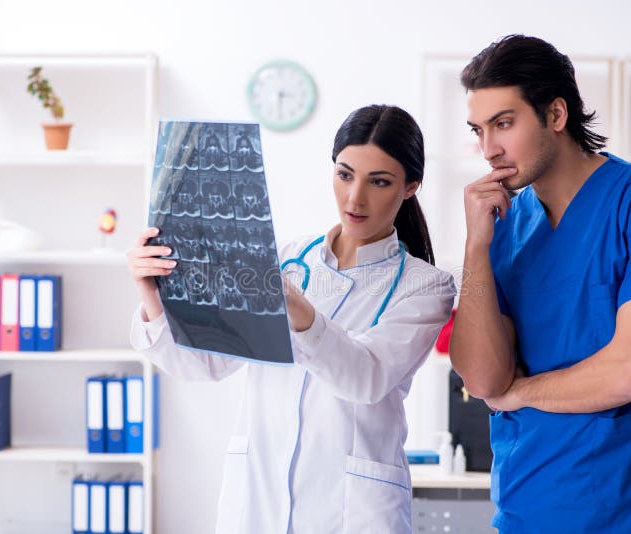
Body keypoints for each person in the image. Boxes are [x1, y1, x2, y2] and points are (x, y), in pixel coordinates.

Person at [127, 105, 456, 533]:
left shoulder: (425, 286)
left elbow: (366, 377)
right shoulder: (285, 258)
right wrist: (151, 296)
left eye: (379, 182)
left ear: (410, 186)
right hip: (257, 496)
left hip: (351, 511)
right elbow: (206, 364)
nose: (355, 198)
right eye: (344, 174)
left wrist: (293, 304)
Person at [448, 35, 631, 534]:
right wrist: (475, 248)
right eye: (478, 130)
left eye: (504, 124)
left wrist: (522, 392)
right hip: (528, 508)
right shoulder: (502, 227)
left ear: (557, 114)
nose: (489, 149)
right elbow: (482, 381)